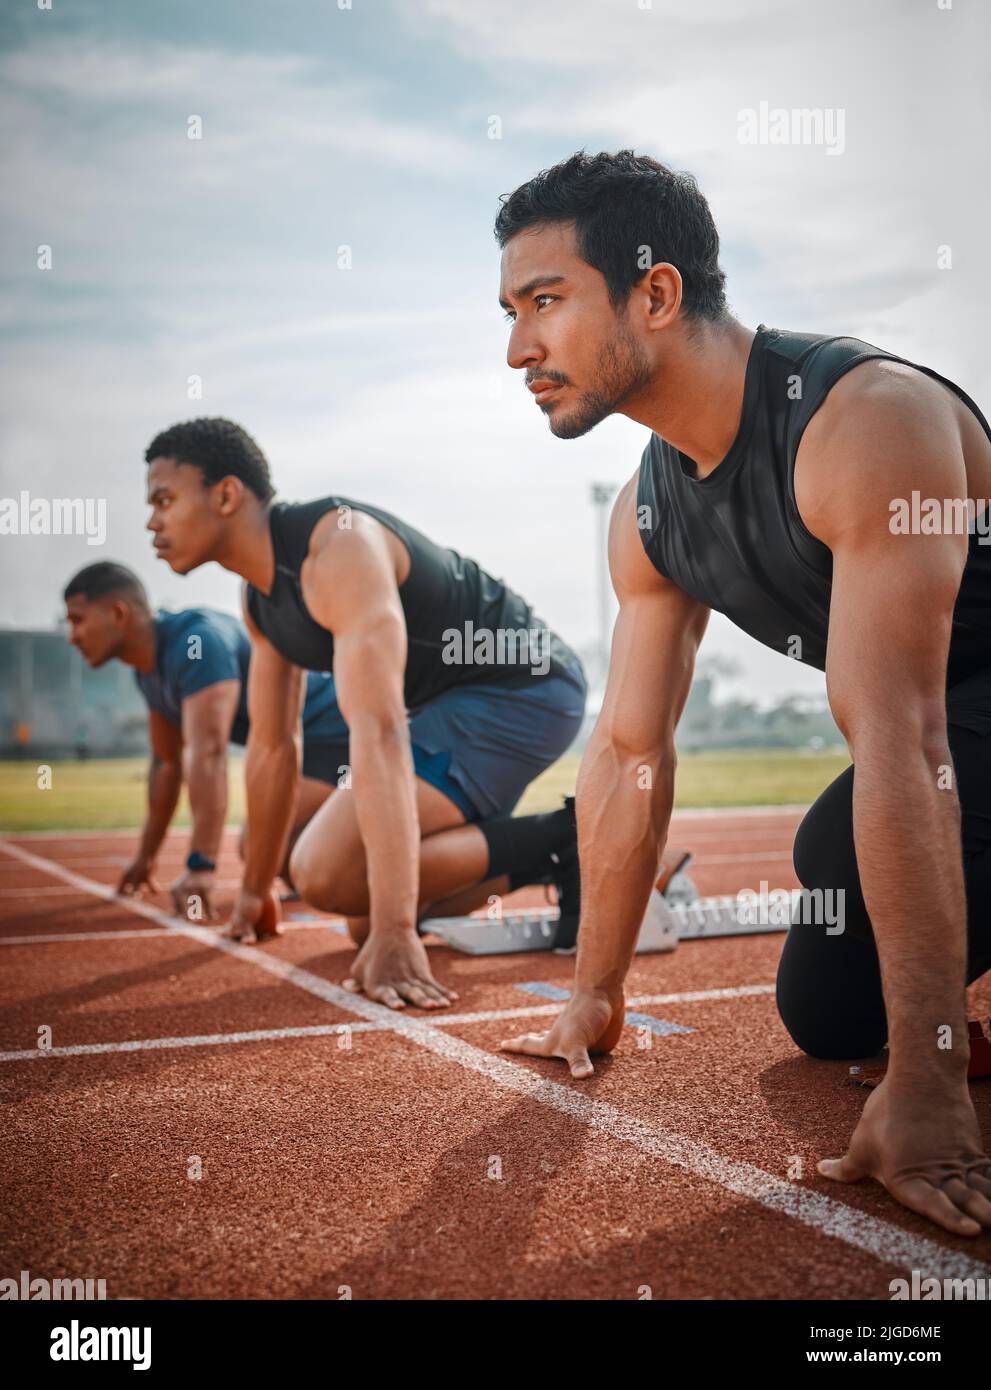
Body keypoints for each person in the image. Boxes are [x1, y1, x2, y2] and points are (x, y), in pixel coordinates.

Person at [494, 149, 991, 1236]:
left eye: (544, 302)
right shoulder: (644, 516)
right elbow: (630, 751)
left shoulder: (864, 421)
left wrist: (929, 1083)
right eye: (510, 312)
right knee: (827, 1005)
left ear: (655, 292)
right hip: (960, 726)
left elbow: (903, 739)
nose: (516, 347)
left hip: (950, 734)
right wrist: (594, 992)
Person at [143, 418, 588, 1005]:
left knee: (329, 873)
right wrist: (252, 893)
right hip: (451, 705)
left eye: (164, 500)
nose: (152, 522)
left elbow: (377, 733)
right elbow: (275, 750)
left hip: (523, 685)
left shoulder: (338, 548)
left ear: (226, 495)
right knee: (359, 911)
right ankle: (556, 852)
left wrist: (399, 931)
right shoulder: (260, 600)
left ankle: (580, 836)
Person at [64, 561, 347, 919]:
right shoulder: (149, 671)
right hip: (301, 742)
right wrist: (146, 856)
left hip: (335, 730)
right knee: (286, 860)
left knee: (256, 846)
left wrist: (202, 865)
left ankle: (382, 821)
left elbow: (209, 752)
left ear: (118, 613)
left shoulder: (197, 643)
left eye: (77, 621)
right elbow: (167, 764)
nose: (72, 636)